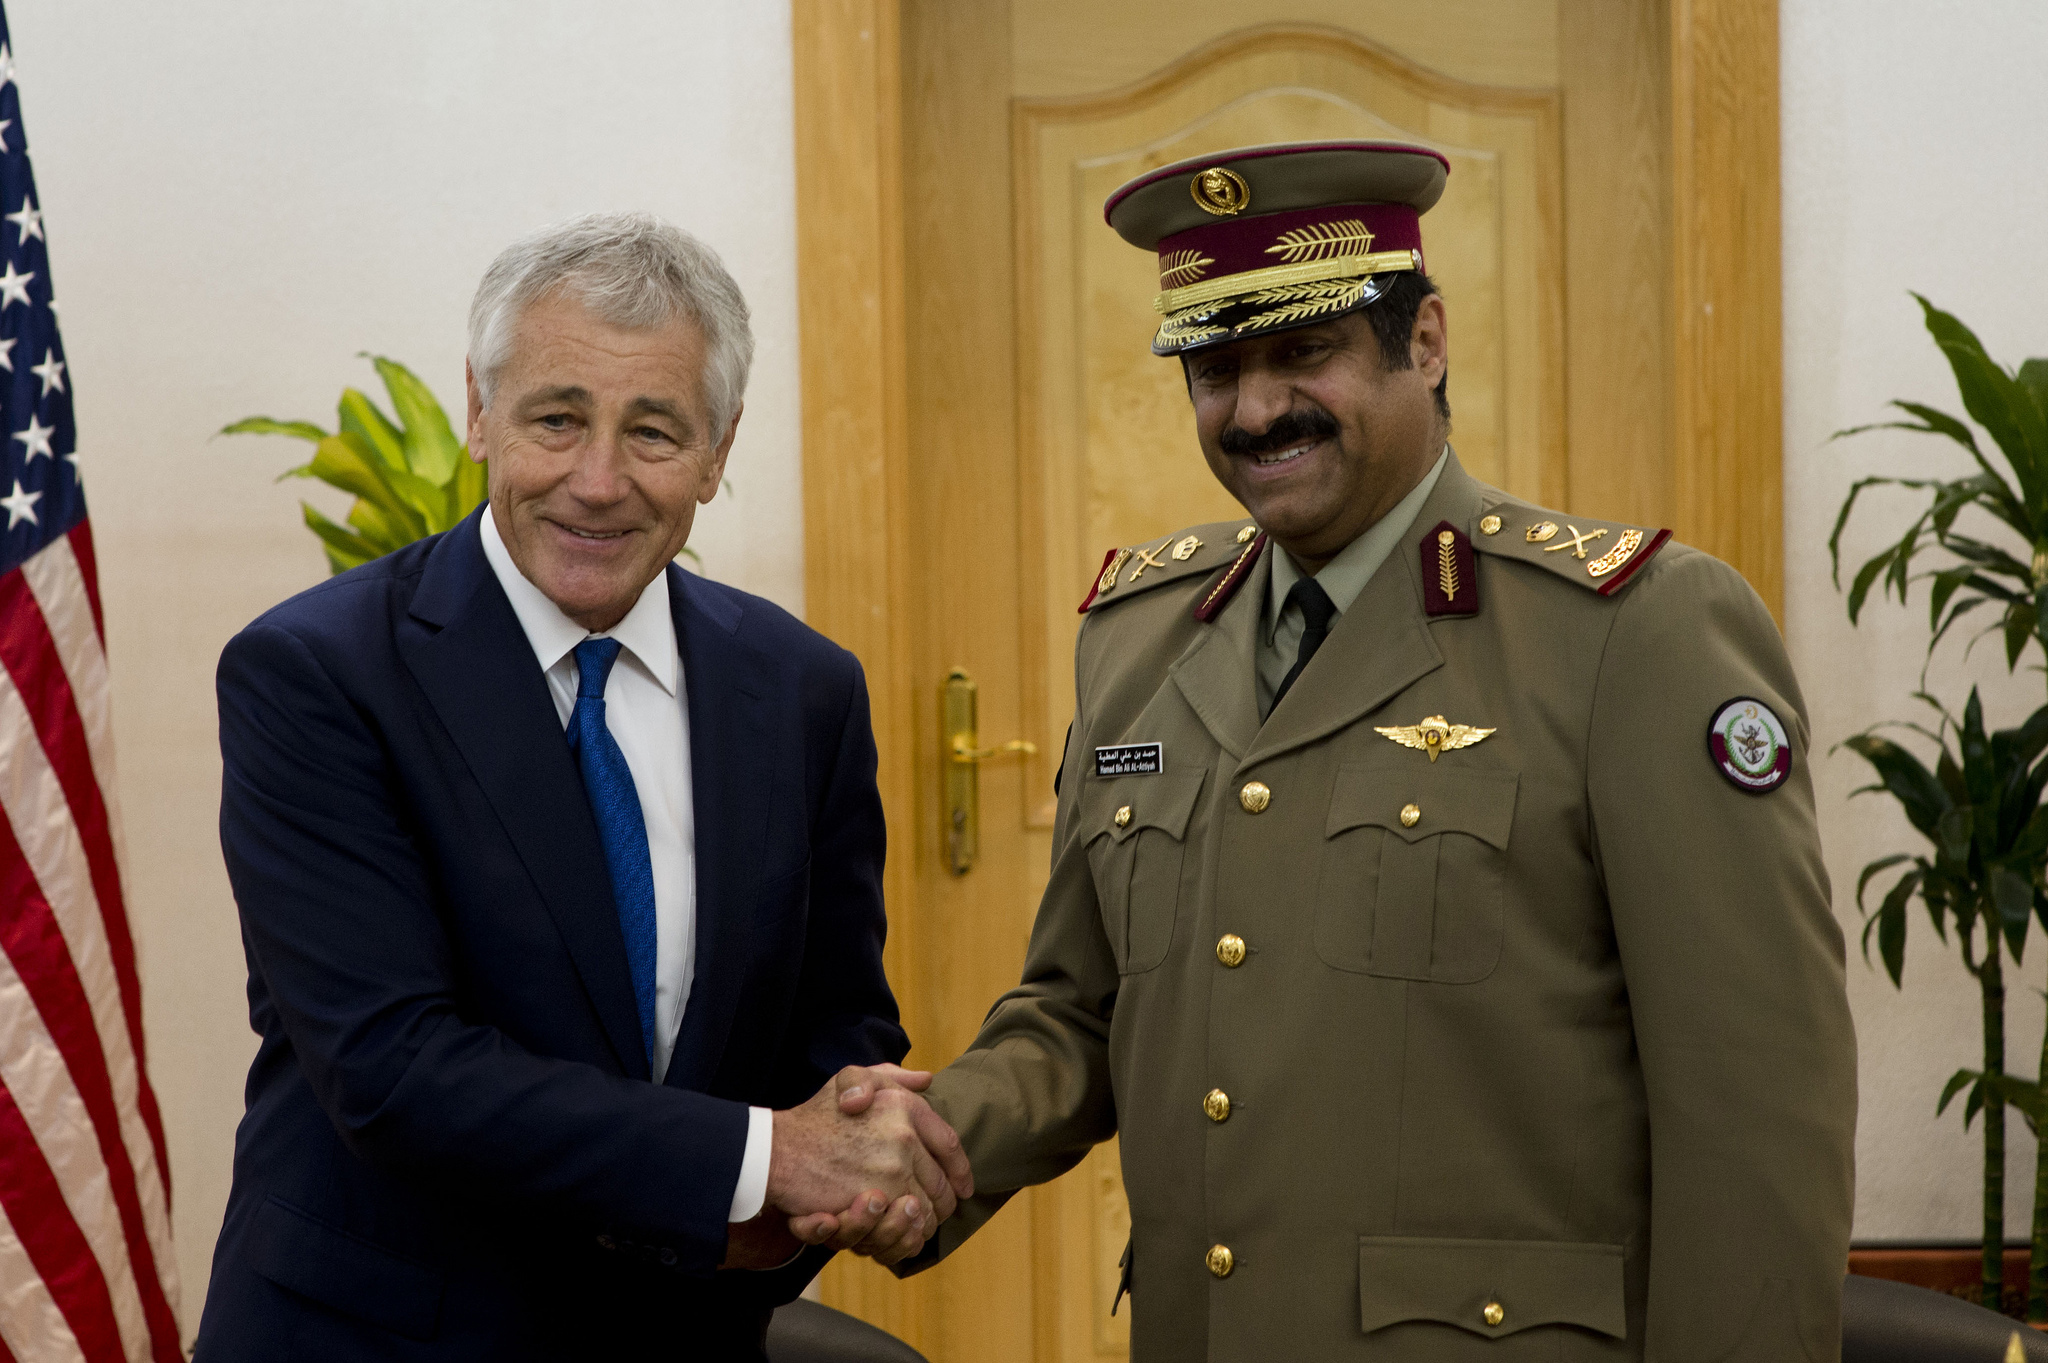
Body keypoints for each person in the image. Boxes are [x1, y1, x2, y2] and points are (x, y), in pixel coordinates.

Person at [814, 142, 1858, 1358]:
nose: (1254, 411)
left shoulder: (1632, 630)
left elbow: (1755, 1107)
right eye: (1213, 369)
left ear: (1423, 343)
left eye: (1301, 352)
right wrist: (918, 1140)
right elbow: (1081, 1010)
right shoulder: (1138, 637)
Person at [196, 213, 968, 1361]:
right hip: (389, 1332)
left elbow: (834, 1014)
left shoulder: (803, 687)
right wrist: (761, 1161)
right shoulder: (318, 674)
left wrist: (842, 1175)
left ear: (717, 450)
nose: (596, 482)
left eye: (653, 431)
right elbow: (395, 1068)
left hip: (683, 1330)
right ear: (480, 410)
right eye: (557, 418)